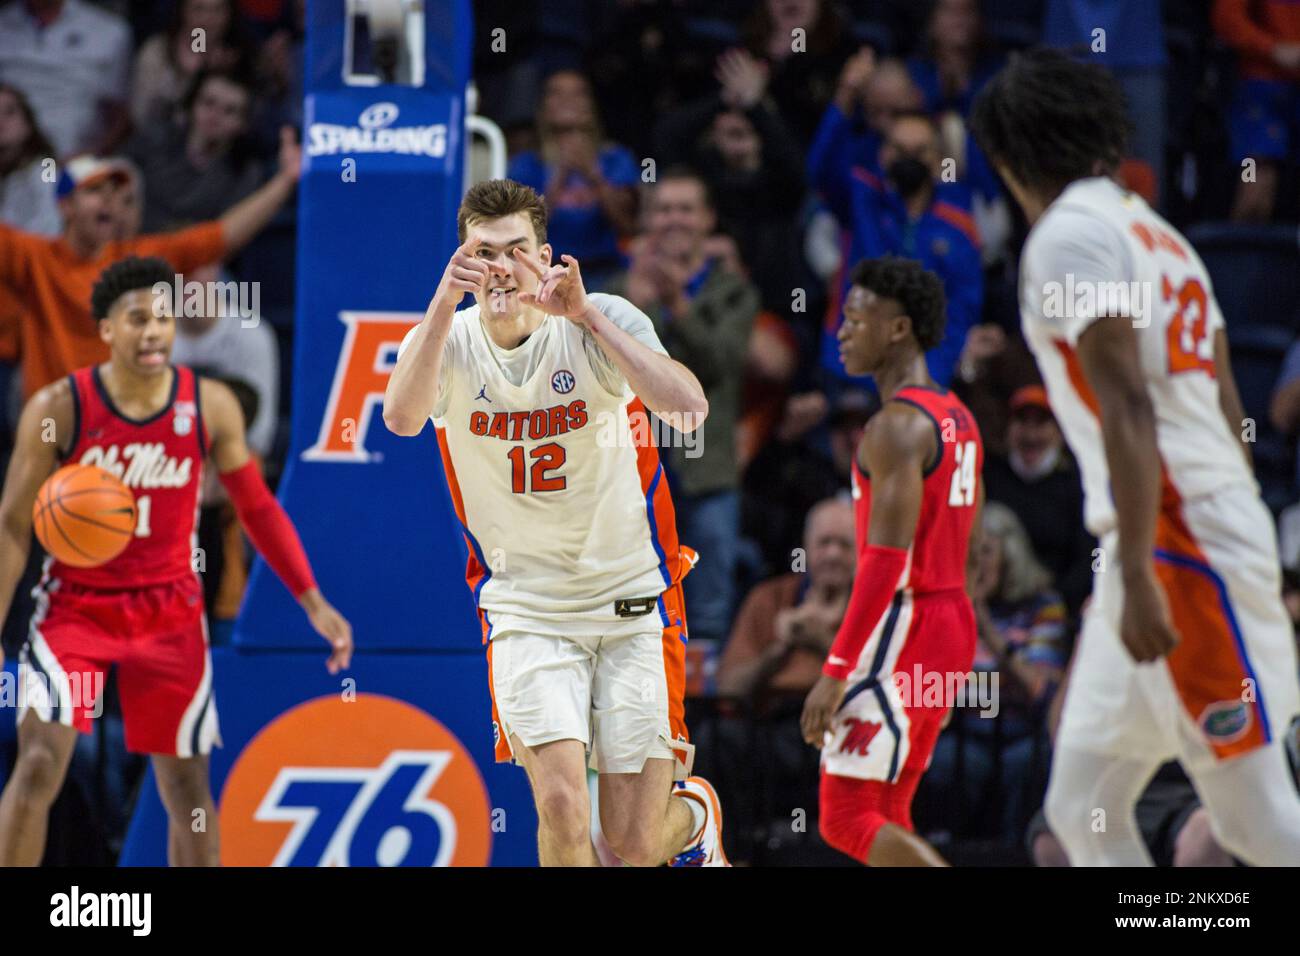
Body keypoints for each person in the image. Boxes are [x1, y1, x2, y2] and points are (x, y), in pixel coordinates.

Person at [971, 47, 1300, 865]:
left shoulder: (1067, 238)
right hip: (1181, 523)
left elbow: (1128, 404)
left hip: (1176, 537)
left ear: (1008, 156)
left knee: (1260, 825)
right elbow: (1228, 402)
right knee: (1081, 807)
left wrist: (1150, 565)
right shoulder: (1162, 237)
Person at [383, 179, 727, 867]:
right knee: (563, 809)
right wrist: (442, 305)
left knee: (630, 844)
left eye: (517, 250)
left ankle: (695, 818)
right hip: (525, 606)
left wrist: (586, 320)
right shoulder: (444, 338)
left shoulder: (603, 316)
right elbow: (401, 418)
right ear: (464, 259)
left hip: (632, 599)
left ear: (547, 256)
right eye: (485, 252)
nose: (502, 267)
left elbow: (689, 412)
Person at [0, 256, 352, 866]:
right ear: (106, 329)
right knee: (36, 764)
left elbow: (259, 508)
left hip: (168, 616)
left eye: (164, 318)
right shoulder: (60, 406)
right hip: (74, 615)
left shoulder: (209, 405)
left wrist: (312, 599)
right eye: (137, 319)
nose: (154, 332)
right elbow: (11, 529)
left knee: (186, 791)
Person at [800, 255, 984, 867]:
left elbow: (884, 563)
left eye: (855, 319)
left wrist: (834, 669)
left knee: (844, 817)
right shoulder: (958, 416)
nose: (842, 332)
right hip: (948, 619)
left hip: (907, 623)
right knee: (890, 809)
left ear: (898, 329)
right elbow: (969, 544)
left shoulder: (896, 428)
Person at [0, 127, 301, 399]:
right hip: (51, 429)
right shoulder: (32, 256)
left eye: (114, 194)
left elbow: (221, 236)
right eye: (93, 191)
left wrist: (285, 180)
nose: (109, 202)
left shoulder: (136, 260)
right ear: (65, 206)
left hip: (117, 433)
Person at [612, 169, 759, 645]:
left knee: (710, 608)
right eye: (664, 209)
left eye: (686, 209)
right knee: (632, 603)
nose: (675, 219)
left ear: (708, 219)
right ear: (650, 219)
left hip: (707, 467)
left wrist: (675, 303)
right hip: (632, 467)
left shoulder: (734, 291)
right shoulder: (616, 291)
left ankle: (708, 715)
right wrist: (638, 301)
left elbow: (721, 362)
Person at [506, 70, 639, 290]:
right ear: (542, 107)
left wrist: (593, 174)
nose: (567, 101)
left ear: (591, 105)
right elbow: (520, 232)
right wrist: (560, 175)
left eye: (578, 94)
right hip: (543, 273)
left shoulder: (615, 159)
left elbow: (627, 225)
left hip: (607, 271)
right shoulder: (525, 164)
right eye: (556, 93)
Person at [983, 385, 1095, 616]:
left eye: (1041, 423)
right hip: (991, 601)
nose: (1031, 434)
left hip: (1053, 605)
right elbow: (950, 429)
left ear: (1059, 430)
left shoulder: (1077, 482)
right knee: (991, 518)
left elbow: (1093, 554)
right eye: (1023, 422)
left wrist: (1070, 597)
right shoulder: (991, 474)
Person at [125, 69, 264, 234]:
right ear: (192, 105)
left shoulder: (246, 174)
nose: (215, 116)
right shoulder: (153, 139)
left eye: (229, 111)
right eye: (208, 103)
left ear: (243, 124)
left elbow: (228, 235)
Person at [0, 0, 131, 158]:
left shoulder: (110, 31)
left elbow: (120, 115)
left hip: (74, 159)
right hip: (9, 158)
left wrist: (93, 156)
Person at [1213, 0, 1300, 222]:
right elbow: (1226, 19)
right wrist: (1272, 48)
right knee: (1253, 176)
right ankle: (1237, 250)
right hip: (1260, 88)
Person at [130, 0, 254, 129]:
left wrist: (221, 73)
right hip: (155, 138)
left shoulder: (240, 56)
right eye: (199, 9)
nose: (209, 18)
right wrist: (196, 76)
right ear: (183, 11)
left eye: (218, 10)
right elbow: (140, 113)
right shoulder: (157, 51)